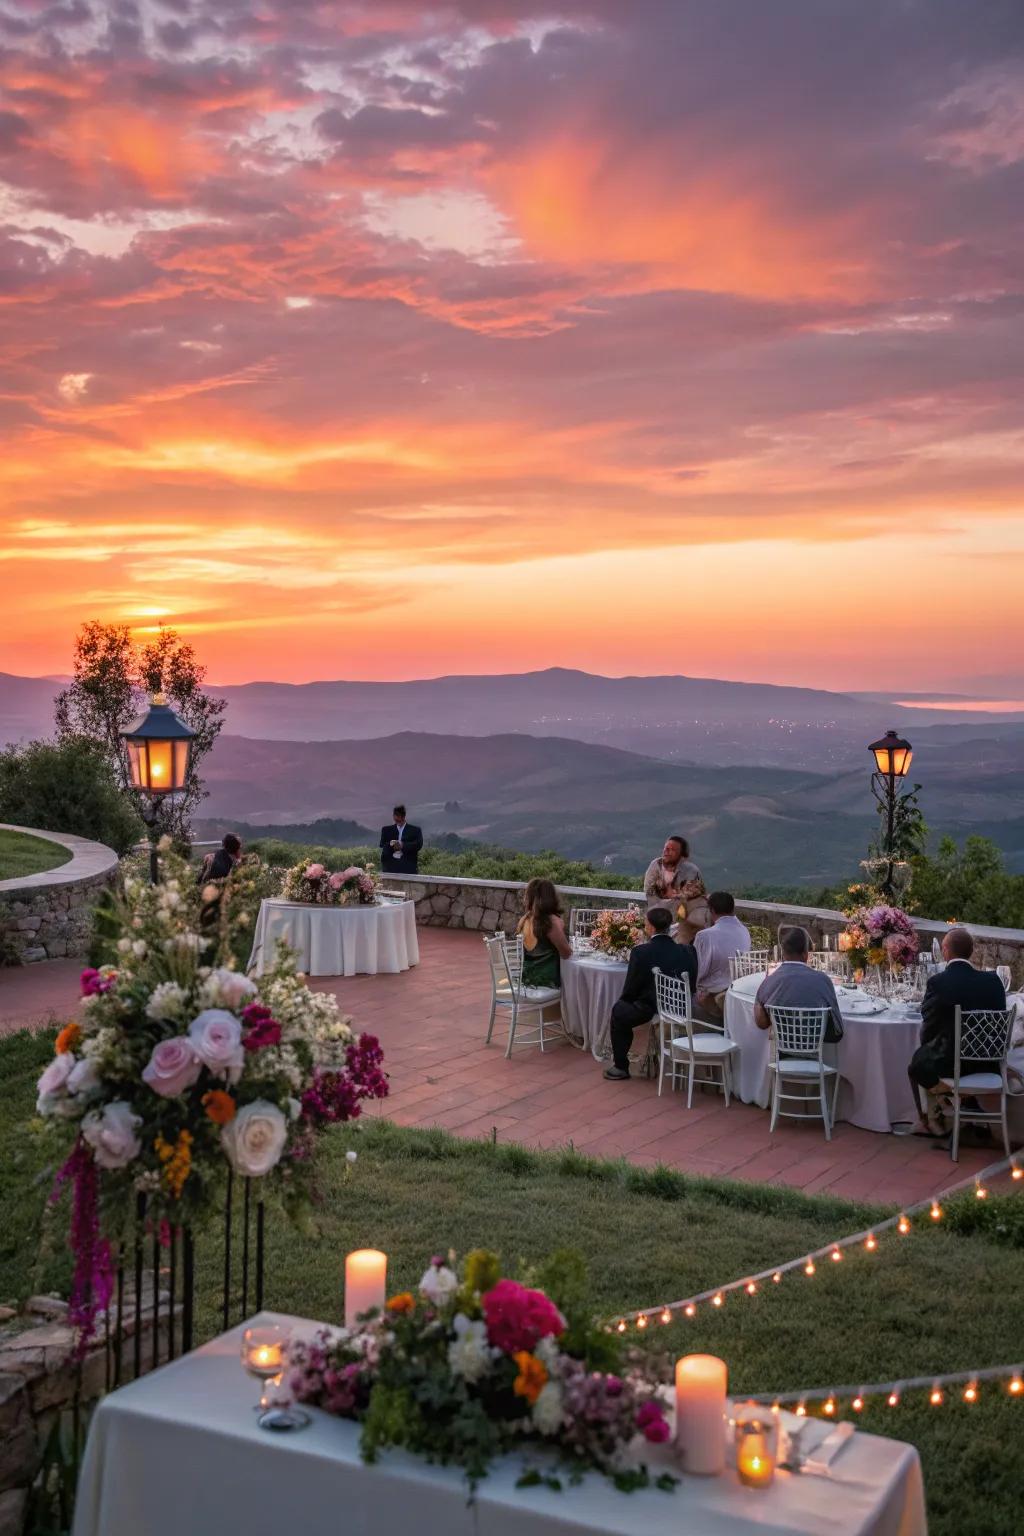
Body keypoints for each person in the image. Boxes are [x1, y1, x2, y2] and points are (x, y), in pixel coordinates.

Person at [908, 927, 1006, 1139]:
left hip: (955, 1065)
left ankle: (933, 1122)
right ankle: (967, 1106)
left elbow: (929, 1022)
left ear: (945, 951)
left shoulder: (939, 982)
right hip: (990, 1064)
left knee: (918, 1063)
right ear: (971, 951)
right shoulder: (994, 982)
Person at [604, 907, 697, 1081]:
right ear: (669, 927)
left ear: (651, 928)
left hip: (649, 1007)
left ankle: (620, 1066)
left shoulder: (641, 952)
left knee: (619, 1011)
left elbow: (631, 988)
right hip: (680, 1006)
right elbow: (691, 983)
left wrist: (626, 1001)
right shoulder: (687, 951)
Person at [753, 926, 844, 1041]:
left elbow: (761, 1023)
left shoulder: (769, 981)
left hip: (782, 1049)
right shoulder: (824, 980)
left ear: (783, 954)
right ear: (806, 954)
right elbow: (838, 1030)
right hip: (816, 1047)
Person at [694, 892, 751, 1022]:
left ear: (712, 910)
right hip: (737, 994)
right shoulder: (744, 931)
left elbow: (699, 971)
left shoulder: (705, 936)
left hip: (711, 998)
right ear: (732, 908)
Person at [643, 835, 709, 943]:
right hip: (658, 914)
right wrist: (670, 897)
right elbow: (649, 891)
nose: (666, 851)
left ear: (682, 855)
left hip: (687, 919)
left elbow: (689, 894)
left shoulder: (691, 870)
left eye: (672, 849)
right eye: (665, 848)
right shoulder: (655, 865)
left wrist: (671, 896)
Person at [517, 878, 571, 989]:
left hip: (527, 979)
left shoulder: (525, 919)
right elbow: (567, 954)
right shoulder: (550, 922)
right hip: (545, 982)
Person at [379, 805, 423, 874]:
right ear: (393, 816)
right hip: (389, 867)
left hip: (408, 868)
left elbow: (418, 845)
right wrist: (391, 844)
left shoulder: (415, 830)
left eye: (400, 817)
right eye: (396, 817)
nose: (398, 819)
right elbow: (382, 844)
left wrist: (403, 845)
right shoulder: (386, 830)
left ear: (404, 816)